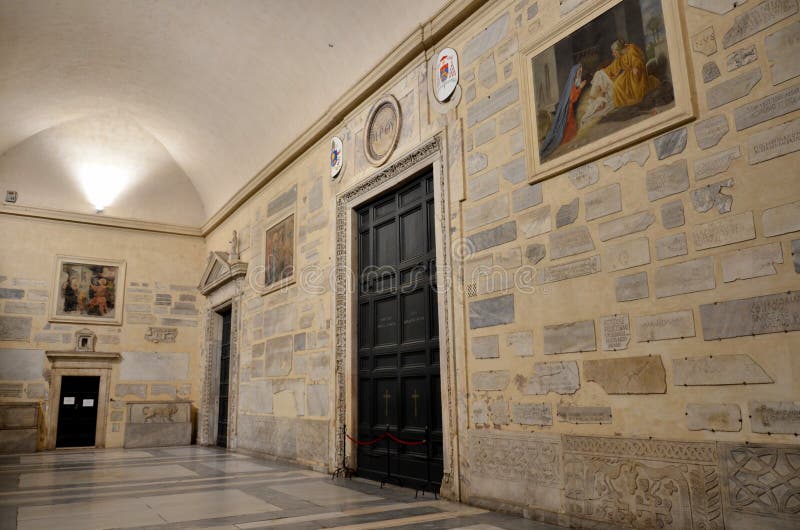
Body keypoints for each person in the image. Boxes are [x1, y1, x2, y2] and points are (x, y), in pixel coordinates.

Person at [539, 63, 585, 159]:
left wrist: (580, 86)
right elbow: (572, 98)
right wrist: (580, 87)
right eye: (578, 72)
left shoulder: (576, 81)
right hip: (568, 109)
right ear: (575, 73)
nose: (580, 73)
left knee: (570, 125)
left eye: (580, 71)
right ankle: (566, 141)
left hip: (570, 108)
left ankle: (569, 139)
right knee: (568, 125)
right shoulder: (572, 83)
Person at [603, 39, 659, 108]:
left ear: (618, 50)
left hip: (638, 73)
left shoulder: (632, 49)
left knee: (636, 90)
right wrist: (604, 71)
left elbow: (638, 61)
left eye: (614, 52)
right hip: (628, 74)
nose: (613, 54)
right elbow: (614, 66)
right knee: (617, 84)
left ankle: (630, 103)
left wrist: (636, 67)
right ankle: (622, 104)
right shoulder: (620, 55)